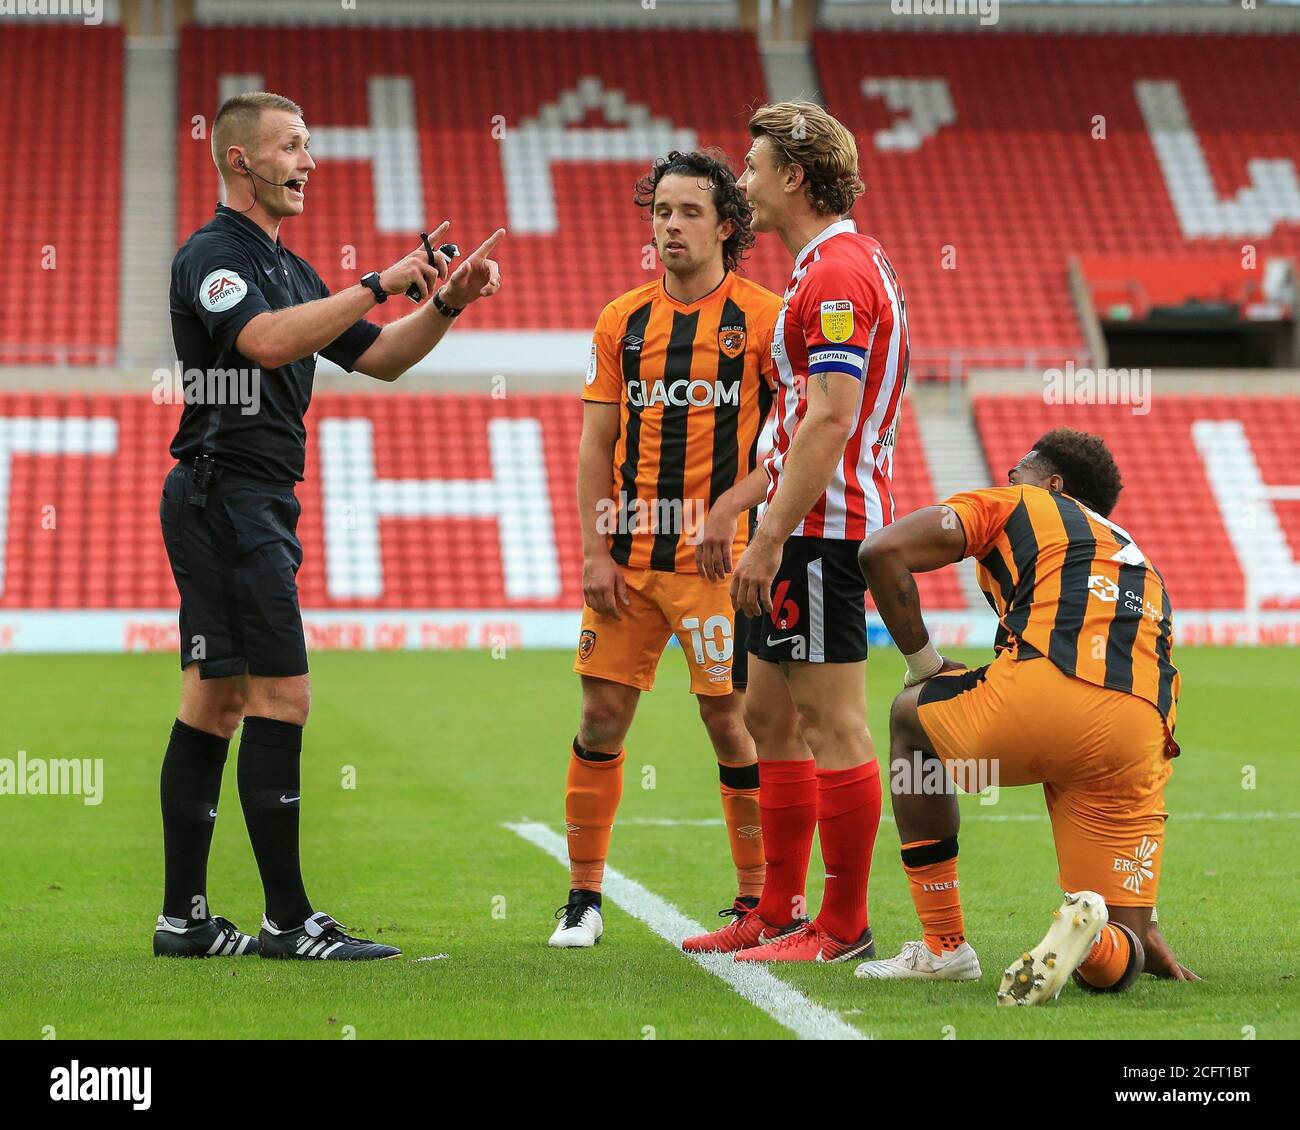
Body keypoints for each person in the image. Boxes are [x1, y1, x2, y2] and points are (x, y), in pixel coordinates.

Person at [155, 91, 503, 960]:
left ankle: (185, 921)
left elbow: (379, 357)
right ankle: (286, 922)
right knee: (282, 696)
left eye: (308, 146)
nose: (308, 162)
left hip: (249, 497)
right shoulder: (213, 255)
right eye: (290, 147)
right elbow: (266, 344)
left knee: (215, 700)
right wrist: (377, 281)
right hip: (224, 493)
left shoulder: (292, 265)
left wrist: (445, 304)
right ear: (240, 160)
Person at [854, 429, 1197, 1003]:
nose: (1007, 479)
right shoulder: (1135, 555)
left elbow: (879, 551)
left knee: (911, 721)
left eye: (1018, 470)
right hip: (1141, 734)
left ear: (1053, 484)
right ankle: (1110, 941)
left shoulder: (1019, 505)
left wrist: (923, 665)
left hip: (1045, 699)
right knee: (1116, 947)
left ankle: (943, 946)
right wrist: (1144, 918)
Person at [684, 101, 909, 964]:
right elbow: (798, 425)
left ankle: (843, 925)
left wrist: (771, 536)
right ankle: (777, 909)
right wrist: (747, 510)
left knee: (832, 723)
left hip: (820, 530)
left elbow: (829, 419)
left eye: (751, 165)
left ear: (792, 177)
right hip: (795, 523)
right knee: (766, 713)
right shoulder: (829, 266)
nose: (740, 179)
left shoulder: (836, 274)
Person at [549, 150, 781, 947]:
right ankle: (583, 898)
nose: (671, 227)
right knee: (601, 714)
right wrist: (593, 552)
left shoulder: (765, 318)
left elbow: (789, 443)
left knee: (731, 724)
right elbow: (595, 443)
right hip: (629, 565)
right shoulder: (622, 320)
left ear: (727, 224)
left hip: (720, 568)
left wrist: (742, 516)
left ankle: (755, 901)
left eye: (688, 212)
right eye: (661, 212)